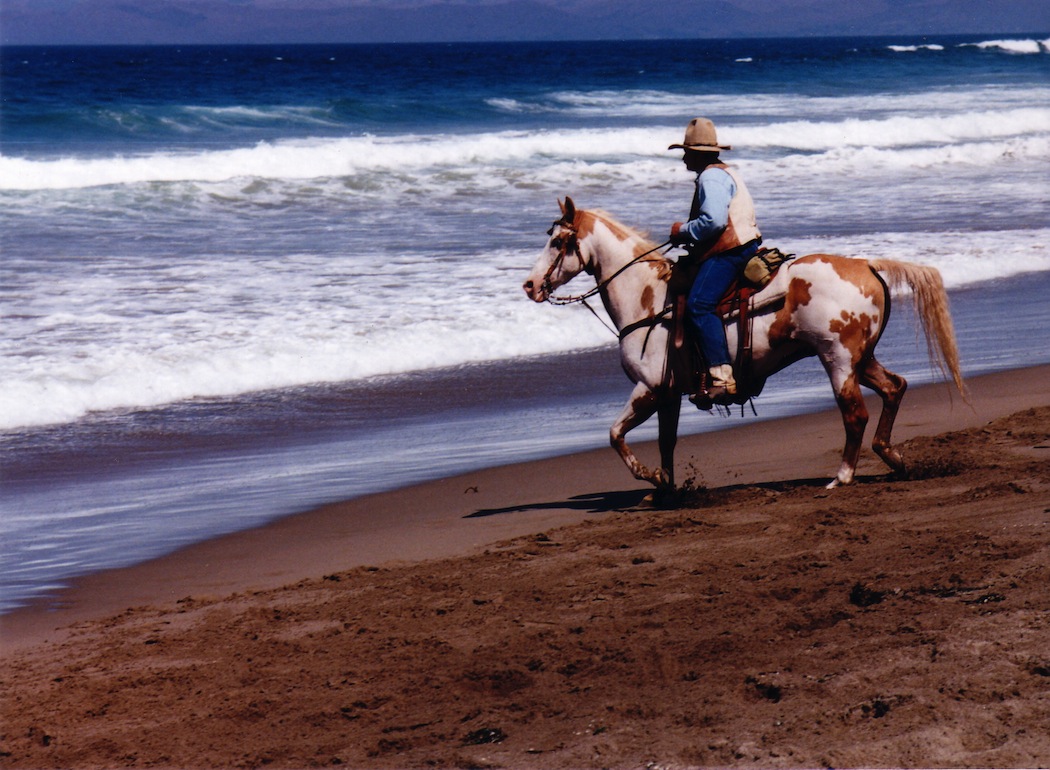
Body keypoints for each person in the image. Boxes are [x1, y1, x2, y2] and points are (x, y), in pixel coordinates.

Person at [668, 117, 762, 409]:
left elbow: (714, 221)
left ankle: (721, 376)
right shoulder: (725, 172)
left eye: (686, 151)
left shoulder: (710, 177)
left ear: (698, 153)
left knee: (699, 304)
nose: (684, 156)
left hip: (731, 250)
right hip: (744, 244)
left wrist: (682, 231)